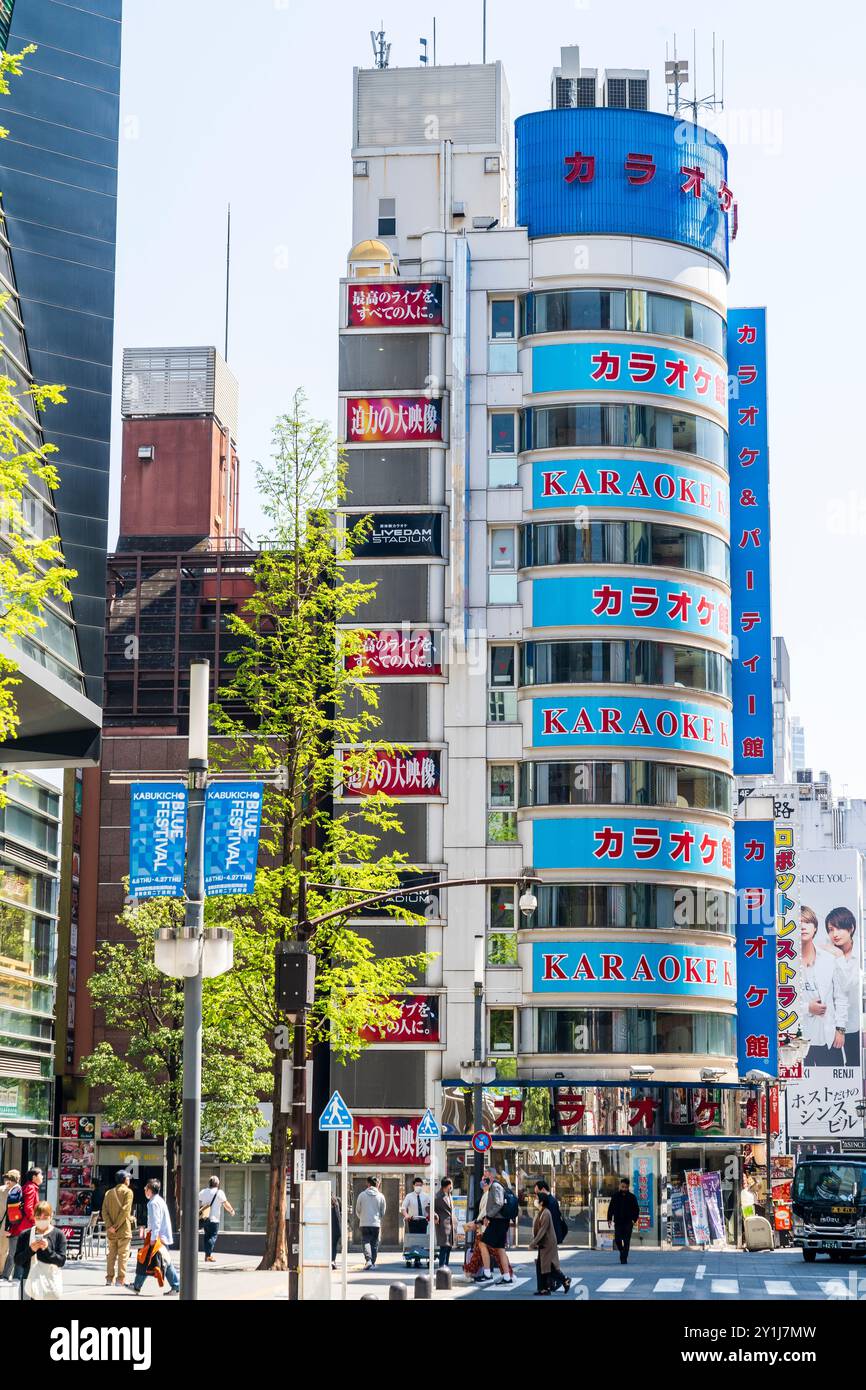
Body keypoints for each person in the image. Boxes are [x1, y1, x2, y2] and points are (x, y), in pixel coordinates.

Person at [801, 907, 848, 1066]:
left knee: (835, 1087)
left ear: (815, 928)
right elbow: (779, 1001)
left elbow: (841, 997)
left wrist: (840, 1030)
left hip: (828, 1038)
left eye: (807, 922)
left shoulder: (829, 960)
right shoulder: (784, 963)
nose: (803, 926)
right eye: (799, 922)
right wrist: (808, 1008)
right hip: (797, 1041)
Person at [130, 1178, 179, 1295]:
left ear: (150, 1190)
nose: (144, 1190)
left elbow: (155, 1222)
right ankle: (176, 1286)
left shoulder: (153, 1203)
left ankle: (137, 1286)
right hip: (160, 1237)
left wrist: (152, 1238)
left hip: (157, 1238)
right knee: (162, 1261)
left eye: (146, 1188)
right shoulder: (159, 1200)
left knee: (146, 1260)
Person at [825, 907, 861, 1065]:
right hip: (829, 1025)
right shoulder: (826, 952)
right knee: (832, 1069)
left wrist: (839, 957)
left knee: (853, 1067)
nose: (835, 934)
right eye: (831, 929)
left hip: (853, 1025)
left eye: (839, 928)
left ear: (851, 928)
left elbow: (847, 986)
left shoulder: (858, 955)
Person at [529, 1190, 571, 1296]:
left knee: (547, 1267)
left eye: (537, 1199)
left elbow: (543, 1230)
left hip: (548, 1244)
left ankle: (563, 1280)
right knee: (542, 1266)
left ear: (542, 1202)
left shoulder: (546, 1213)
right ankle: (544, 1288)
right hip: (544, 1244)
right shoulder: (541, 1211)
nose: (535, 1201)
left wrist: (533, 1243)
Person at [476, 1168, 513, 1285]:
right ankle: (507, 1277)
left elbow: (499, 1203)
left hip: (498, 1221)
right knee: (500, 1248)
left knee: (482, 1243)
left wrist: (488, 1216)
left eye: (486, 1175)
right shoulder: (495, 1186)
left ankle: (487, 1274)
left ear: (491, 1176)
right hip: (501, 1221)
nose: (484, 1177)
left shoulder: (495, 1186)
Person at [23, 1202, 66, 1301]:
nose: (42, 1220)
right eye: (38, 1217)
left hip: (49, 1282)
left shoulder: (58, 1235)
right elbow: (18, 1260)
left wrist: (47, 1249)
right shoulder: (27, 1234)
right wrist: (31, 1250)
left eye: (45, 1217)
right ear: (34, 1217)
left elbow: (61, 1261)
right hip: (29, 1279)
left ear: (51, 1216)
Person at [9, 1167, 42, 1294]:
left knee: (24, 1257)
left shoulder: (29, 1187)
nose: (42, 1177)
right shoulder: (31, 1188)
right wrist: (36, 1223)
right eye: (41, 1175)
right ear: (34, 1177)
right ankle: (23, 1289)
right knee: (26, 1259)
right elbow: (29, 1208)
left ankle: (22, 1287)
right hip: (26, 1228)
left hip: (23, 1227)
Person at [101, 1169, 135, 1287]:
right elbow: (126, 1210)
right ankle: (121, 1280)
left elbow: (104, 1211)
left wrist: (110, 1226)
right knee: (123, 1255)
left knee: (111, 1255)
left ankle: (109, 1279)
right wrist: (116, 1226)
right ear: (125, 1180)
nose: (129, 1180)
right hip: (123, 1229)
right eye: (128, 1178)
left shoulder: (109, 1193)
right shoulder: (128, 1192)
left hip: (111, 1231)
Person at [198, 1175, 235, 1263]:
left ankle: (207, 1255)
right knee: (213, 1236)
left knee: (207, 1236)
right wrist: (231, 1211)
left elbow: (198, 1203)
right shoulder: (219, 1192)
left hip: (204, 1218)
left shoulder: (203, 1192)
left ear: (209, 1183)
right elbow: (225, 1204)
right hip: (214, 1219)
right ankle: (208, 1256)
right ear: (217, 1184)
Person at [355, 1175, 386, 1271]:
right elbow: (383, 1211)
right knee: (374, 1243)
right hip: (376, 1223)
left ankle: (368, 1260)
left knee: (366, 1241)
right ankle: (372, 1262)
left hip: (364, 1222)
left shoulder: (362, 1195)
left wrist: (362, 1218)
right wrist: (377, 1218)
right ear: (377, 1184)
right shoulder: (381, 1196)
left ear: (368, 1184)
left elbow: (358, 1209)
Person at [607, 1178, 640, 1265]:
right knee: (617, 1239)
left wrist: (634, 1220)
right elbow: (611, 1208)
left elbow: (636, 1210)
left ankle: (624, 1258)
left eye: (625, 1187)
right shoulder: (615, 1196)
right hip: (618, 1221)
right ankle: (622, 1251)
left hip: (628, 1222)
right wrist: (609, 1219)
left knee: (626, 1241)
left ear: (628, 1187)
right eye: (622, 1187)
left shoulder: (632, 1197)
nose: (624, 1189)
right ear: (620, 1186)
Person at [401, 1176, 430, 1268]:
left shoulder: (426, 1196)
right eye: (417, 1185)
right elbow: (403, 1208)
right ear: (413, 1185)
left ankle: (418, 1259)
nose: (419, 1187)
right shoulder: (409, 1196)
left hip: (423, 1221)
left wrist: (429, 1215)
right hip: (412, 1221)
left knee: (421, 1240)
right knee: (414, 1240)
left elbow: (429, 1208)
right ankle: (415, 1257)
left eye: (420, 1185)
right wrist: (406, 1215)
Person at [0, 1168, 20, 1280]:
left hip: (8, 1226)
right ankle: (4, 1273)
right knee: (6, 1251)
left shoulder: (15, 1191)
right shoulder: (9, 1190)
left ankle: (4, 1273)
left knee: (7, 1251)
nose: (6, 1180)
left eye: (8, 1178)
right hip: (9, 1226)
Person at [434, 1176, 455, 1268]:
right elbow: (429, 1207)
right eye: (451, 1185)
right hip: (442, 1225)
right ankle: (442, 1267)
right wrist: (435, 1215)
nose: (451, 1187)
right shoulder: (438, 1196)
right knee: (444, 1247)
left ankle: (446, 1266)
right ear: (447, 1185)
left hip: (451, 1225)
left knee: (449, 1247)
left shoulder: (449, 1195)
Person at [331, 1195, 341, 1270]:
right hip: (337, 1228)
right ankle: (333, 1260)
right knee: (334, 1246)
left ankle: (331, 1261)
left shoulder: (323, 1203)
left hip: (329, 1227)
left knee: (330, 1245)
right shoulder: (337, 1201)